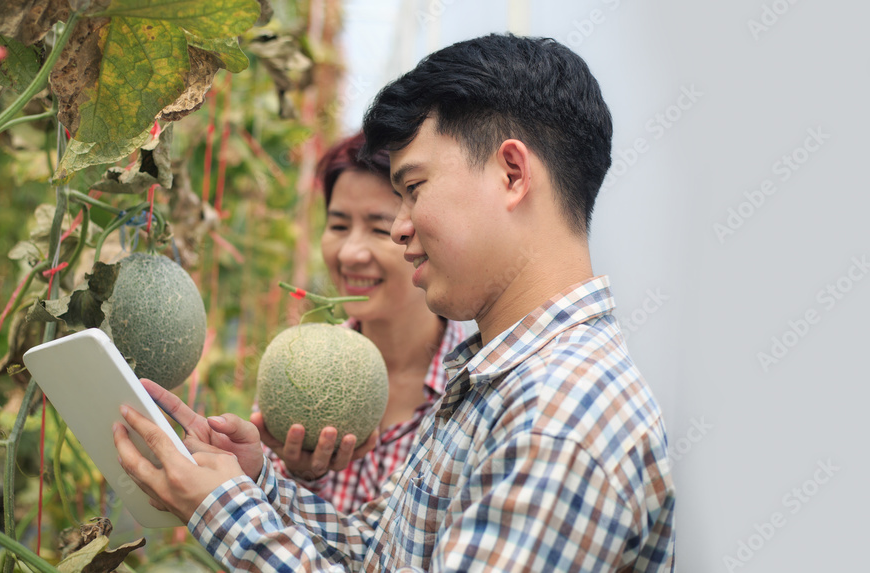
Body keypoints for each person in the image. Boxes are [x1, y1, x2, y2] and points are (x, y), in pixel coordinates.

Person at [113, 34, 676, 571]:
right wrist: (256, 481)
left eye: (414, 189)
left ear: (511, 174)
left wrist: (223, 511)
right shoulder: (503, 382)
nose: (399, 228)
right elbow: (383, 556)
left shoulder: (558, 423)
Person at [250, 132, 467, 514]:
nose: (350, 253)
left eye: (379, 228)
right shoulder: (295, 368)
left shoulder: (473, 388)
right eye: (338, 226)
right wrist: (297, 474)